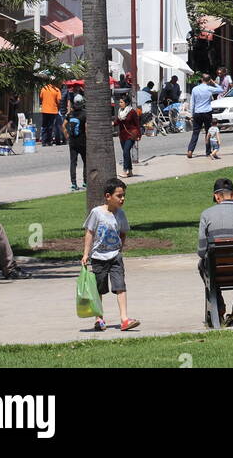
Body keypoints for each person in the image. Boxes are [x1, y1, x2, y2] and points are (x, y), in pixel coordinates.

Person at [197, 177, 233, 327]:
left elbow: (201, 250)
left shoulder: (206, 214)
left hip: (218, 270)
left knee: (203, 265)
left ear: (217, 197)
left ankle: (219, 306)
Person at [82, 178, 138, 332]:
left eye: (124, 195)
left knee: (120, 286)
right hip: (98, 257)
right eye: (119, 196)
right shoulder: (97, 213)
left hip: (115, 256)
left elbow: (123, 232)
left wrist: (120, 249)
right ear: (108, 196)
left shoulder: (121, 214)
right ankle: (99, 319)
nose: (122, 199)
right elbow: (90, 232)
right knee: (99, 289)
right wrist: (86, 254)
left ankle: (124, 319)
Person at [186, 73, 221, 158]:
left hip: (197, 113)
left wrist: (192, 113)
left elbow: (192, 102)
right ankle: (208, 152)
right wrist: (214, 83)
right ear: (209, 80)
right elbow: (221, 90)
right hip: (207, 112)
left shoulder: (195, 89)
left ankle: (190, 150)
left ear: (201, 79)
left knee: (195, 133)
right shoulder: (209, 88)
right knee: (208, 132)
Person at [63, 94, 87, 192]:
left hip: (72, 142)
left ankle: (73, 183)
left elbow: (63, 126)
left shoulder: (70, 114)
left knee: (73, 163)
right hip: (82, 141)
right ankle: (85, 182)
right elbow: (86, 128)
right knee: (86, 161)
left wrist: (67, 136)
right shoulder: (84, 114)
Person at [115, 95, 142, 178]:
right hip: (122, 135)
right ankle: (130, 171)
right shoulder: (120, 111)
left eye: (121, 102)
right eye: (119, 102)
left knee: (126, 151)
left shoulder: (132, 112)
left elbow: (137, 124)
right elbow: (118, 121)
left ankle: (124, 170)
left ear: (126, 103)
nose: (119, 104)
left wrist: (139, 135)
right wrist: (112, 124)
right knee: (126, 153)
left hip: (131, 135)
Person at [38, 80, 62, 147]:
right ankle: (49, 141)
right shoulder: (57, 90)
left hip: (45, 110)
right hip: (53, 111)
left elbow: (41, 97)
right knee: (50, 127)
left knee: (44, 126)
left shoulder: (44, 89)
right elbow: (58, 101)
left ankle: (43, 141)